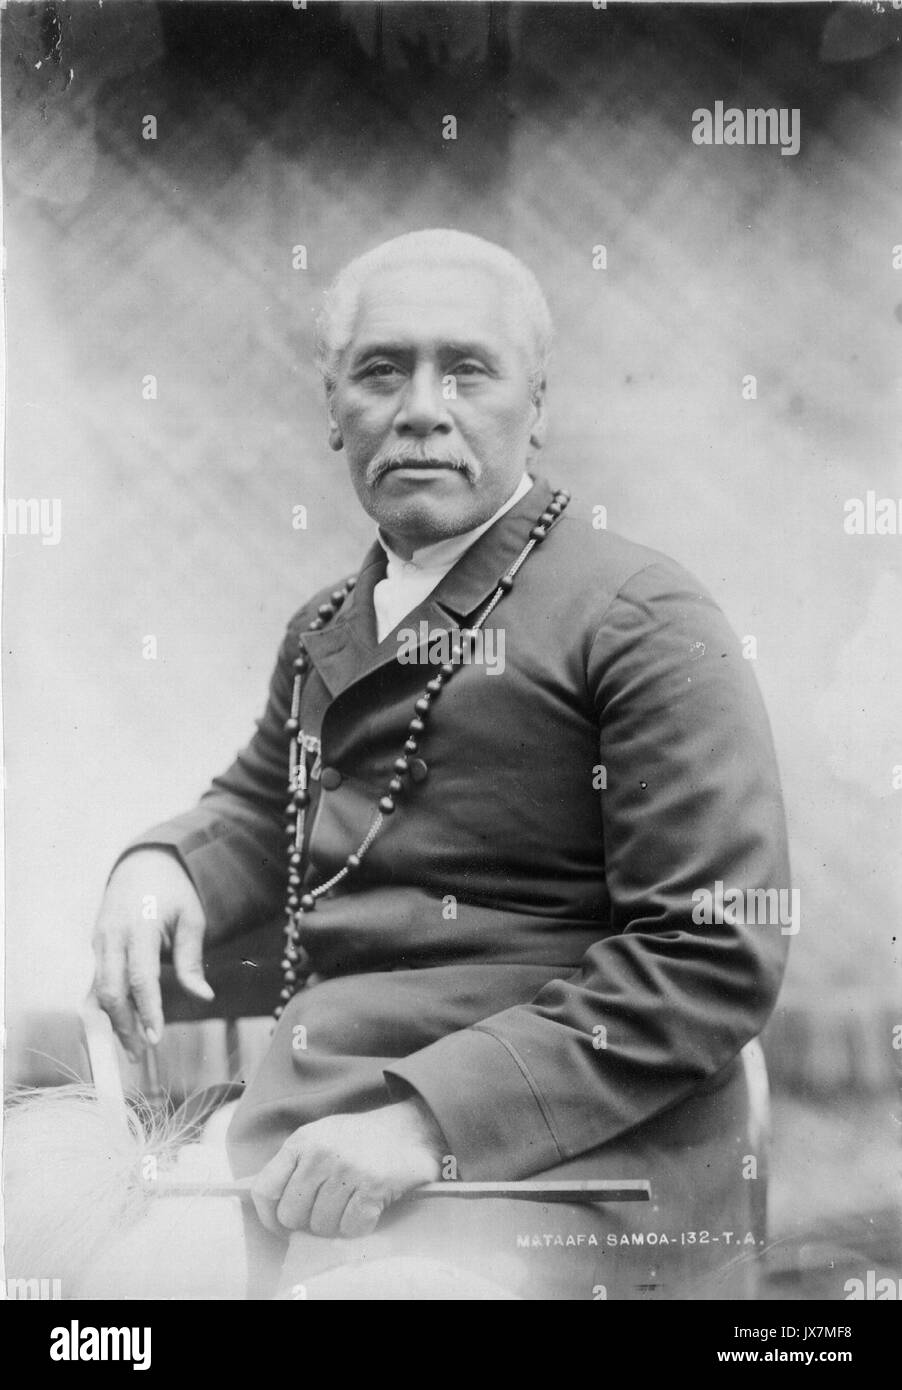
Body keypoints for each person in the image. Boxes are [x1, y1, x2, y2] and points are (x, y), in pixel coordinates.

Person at [93, 228, 791, 1299]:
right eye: (381, 369)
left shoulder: (640, 616)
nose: (422, 405)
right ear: (333, 409)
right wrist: (163, 866)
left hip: (573, 1162)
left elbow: (709, 950)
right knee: (91, 1280)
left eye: (466, 367)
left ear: (535, 405)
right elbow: (260, 806)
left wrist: (429, 1119)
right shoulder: (325, 624)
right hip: (318, 1125)